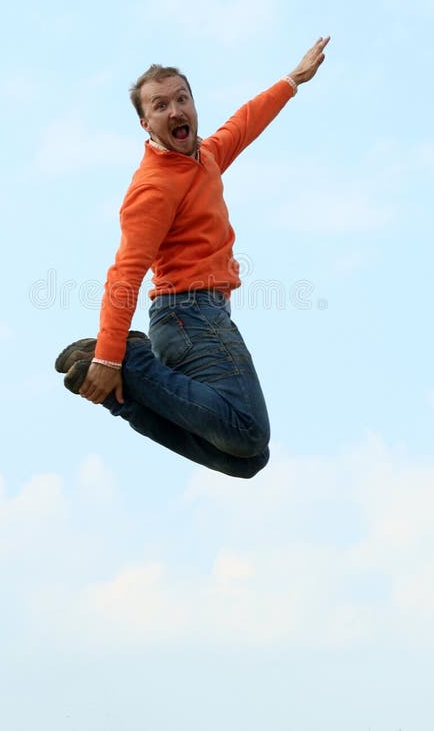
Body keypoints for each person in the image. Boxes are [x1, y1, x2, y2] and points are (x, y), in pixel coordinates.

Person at [55, 37, 331, 478]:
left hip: (192, 321)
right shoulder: (155, 186)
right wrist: (109, 357)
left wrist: (293, 80)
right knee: (248, 430)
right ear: (146, 123)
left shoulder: (205, 157)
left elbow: (244, 123)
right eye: (160, 106)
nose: (175, 111)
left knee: (248, 458)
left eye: (181, 99)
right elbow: (124, 273)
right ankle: (130, 363)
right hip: (190, 316)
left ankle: (120, 396)